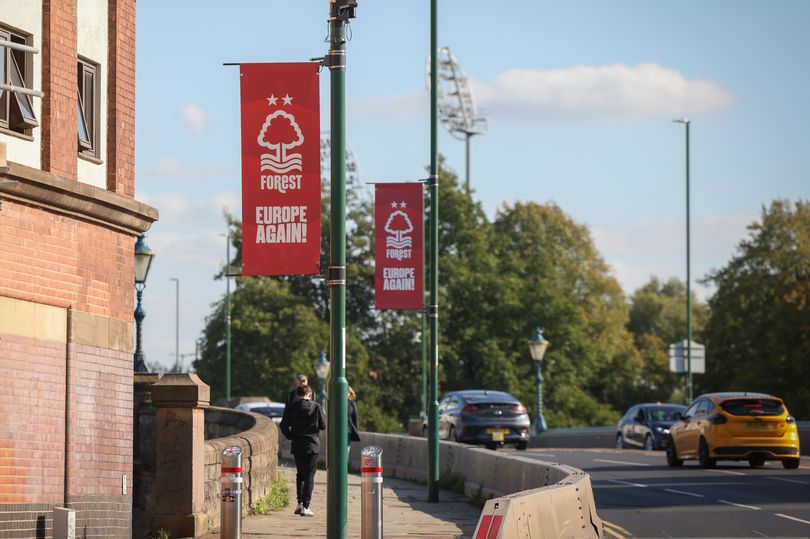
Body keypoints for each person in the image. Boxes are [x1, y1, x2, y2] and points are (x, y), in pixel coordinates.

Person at [279, 385, 325, 517]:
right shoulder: (316, 407)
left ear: (298, 395)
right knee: (310, 475)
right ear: (310, 394)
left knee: (300, 474)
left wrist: (291, 436)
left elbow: (283, 425)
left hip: (297, 444)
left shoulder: (292, 407)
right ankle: (306, 505)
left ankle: (299, 503)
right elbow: (323, 425)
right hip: (312, 444)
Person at [348, 386, 361, 451]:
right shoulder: (337, 402)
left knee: (346, 451)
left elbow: (355, 418)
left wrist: (356, 431)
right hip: (337, 431)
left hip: (348, 431)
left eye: (347, 392)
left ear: (350, 394)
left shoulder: (352, 404)